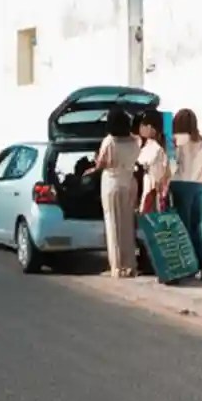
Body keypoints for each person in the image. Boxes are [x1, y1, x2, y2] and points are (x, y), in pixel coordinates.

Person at [84, 107, 141, 277]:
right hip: (129, 182)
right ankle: (131, 265)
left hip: (112, 183)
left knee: (113, 224)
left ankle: (117, 267)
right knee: (127, 225)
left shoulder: (109, 141)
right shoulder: (134, 140)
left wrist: (92, 166)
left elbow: (102, 163)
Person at [169, 108, 202, 281]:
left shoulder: (176, 140)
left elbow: (173, 164)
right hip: (200, 185)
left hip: (181, 184)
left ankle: (186, 265)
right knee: (197, 227)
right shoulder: (201, 141)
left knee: (183, 227)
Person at [135, 109, 170, 214]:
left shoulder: (154, 146)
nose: (140, 129)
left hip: (153, 186)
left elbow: (140, 160)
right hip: (155, 186)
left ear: (150, 127)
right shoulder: (160, 145)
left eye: (142, 126)